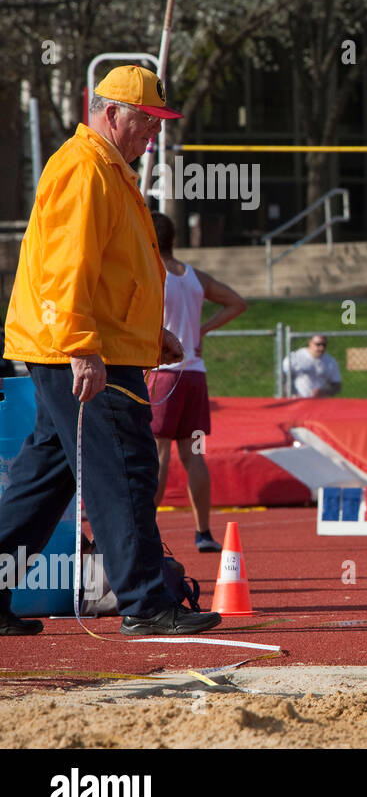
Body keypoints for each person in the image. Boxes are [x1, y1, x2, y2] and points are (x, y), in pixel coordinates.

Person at [0, 64, 220, 636]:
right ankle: (147, 603)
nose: (154, 134)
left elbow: (112, 272)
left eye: (159, 124)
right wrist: (82, 347)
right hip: (80, 352)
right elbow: (65, 271)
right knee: (124, 469)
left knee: (45, 480)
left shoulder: (106, 169)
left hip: (79, 348)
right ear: (111, 113)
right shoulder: (85, 170)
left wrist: (148, 336)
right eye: (146, 122)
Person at [149, 213, 247, 553]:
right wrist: (202, 329)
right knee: (194, 455)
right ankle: (203, 532)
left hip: (163, 372)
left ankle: (145, 530)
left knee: (159, 452)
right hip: (195, 372)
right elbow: (237, 302)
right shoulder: (192, 275)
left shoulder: (151, 271)